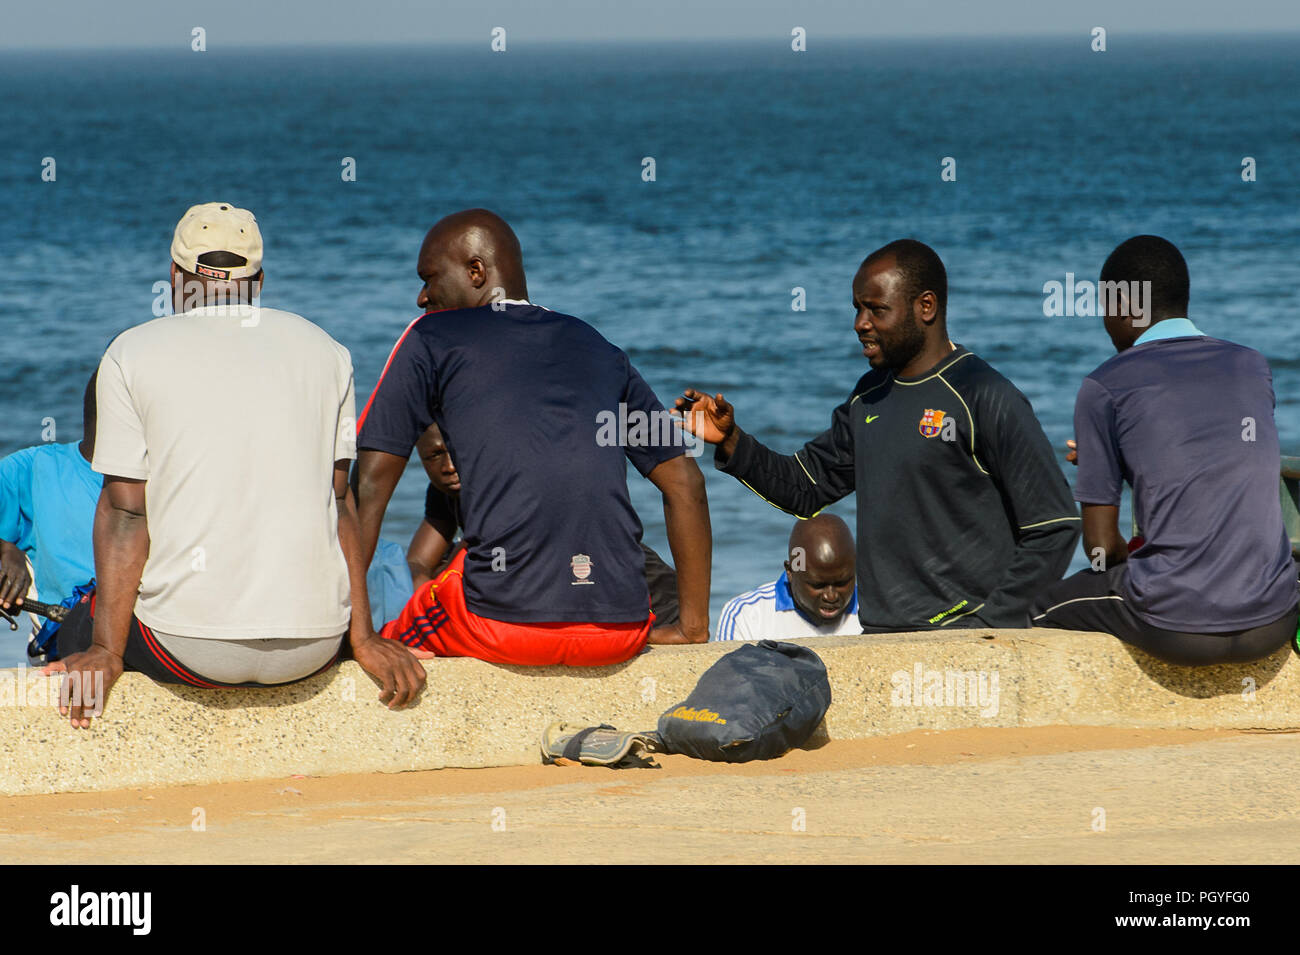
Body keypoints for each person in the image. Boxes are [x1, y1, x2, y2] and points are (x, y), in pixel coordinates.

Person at [47, 202, 425, 728]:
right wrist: (362, 638)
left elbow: (126, 513)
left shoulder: (130, 353)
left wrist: (106, 651)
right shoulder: (327, 351)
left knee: (71, 626)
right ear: (260, 280)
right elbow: (341, 501)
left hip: (187, 652)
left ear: (176, 278)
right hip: (312, 647)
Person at [354, 208, 711, 665]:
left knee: (397, 630)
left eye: (429, 278)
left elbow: (369, 483)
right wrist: (691, 627)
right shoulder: (597, 346)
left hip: (501, 625)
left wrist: (357, 633)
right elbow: (687, 483)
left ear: (476, 271)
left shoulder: (432, 337)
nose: (422, 298)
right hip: (620, 628)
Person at [678, 238, 1079, 632]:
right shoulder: (868, 397)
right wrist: (732, 442)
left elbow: (1054, 525)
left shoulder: (984, 395)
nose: (860, 324)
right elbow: (804, 488)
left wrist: (990, 625)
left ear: (926, 306)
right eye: (857, 309)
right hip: (884, 639)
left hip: (970, 642)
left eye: (876, 310)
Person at [1032, 235, 1298, 665]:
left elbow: (1101, 548)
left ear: (1121, 306)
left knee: (1040, 609)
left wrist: (1109, 466)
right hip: (1272, 619)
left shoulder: (1105, 386)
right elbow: (1212, 448)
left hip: (1175, 629)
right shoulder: (1251, 365)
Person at [390, 422, 681, 658]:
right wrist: (425, 594)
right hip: (565, 590)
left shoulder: (506, 483)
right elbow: (418, 561)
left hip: (646, 592)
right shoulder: (445, 491)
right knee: (449, 565)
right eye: (434, 456)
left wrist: (430, 606)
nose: (449, 465)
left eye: (455, 452)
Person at [0, 372, 103, 654]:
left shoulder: (164, 476)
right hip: (61, 639)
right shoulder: (34, 468)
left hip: (149, 639)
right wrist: (6, 548)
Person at [714, 513, 859, 641]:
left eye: (842, 583)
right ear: (791, 572)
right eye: (817, 585)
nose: (831, 596)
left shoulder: (875, 609)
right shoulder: (746, 615)